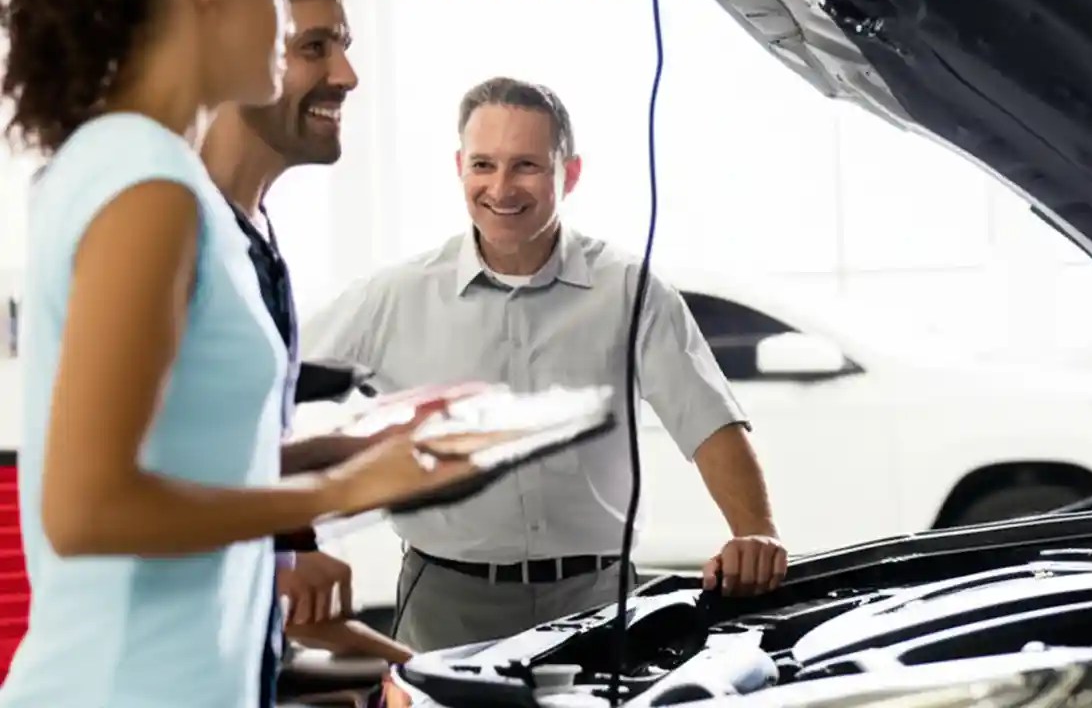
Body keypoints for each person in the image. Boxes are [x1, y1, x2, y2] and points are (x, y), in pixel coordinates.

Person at [0, 0, 478, 705]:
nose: (284, 23)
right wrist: (342, 491)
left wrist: (351, 449)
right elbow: (86, 508)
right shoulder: (146, 183)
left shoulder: (138, 166)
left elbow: (174, 457)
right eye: (279, 2)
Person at [302, 76, 789, 652]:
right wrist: (294, 543)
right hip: (447, 600)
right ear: (459, 165)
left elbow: (709, 423)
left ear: (571, 173)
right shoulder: (392, 297)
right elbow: (270, 397)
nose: (501, 188)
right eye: (483, 165)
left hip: (598, 598)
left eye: (526, 166)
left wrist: (755, 532)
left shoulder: (629, 290)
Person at [196, 0, 415, 696]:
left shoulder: (257, 241)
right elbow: (103, 508)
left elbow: (284, 579)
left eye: (345, 44)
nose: (347, 74)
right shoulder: (174, 235)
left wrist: (420, 674)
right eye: (314, 46)